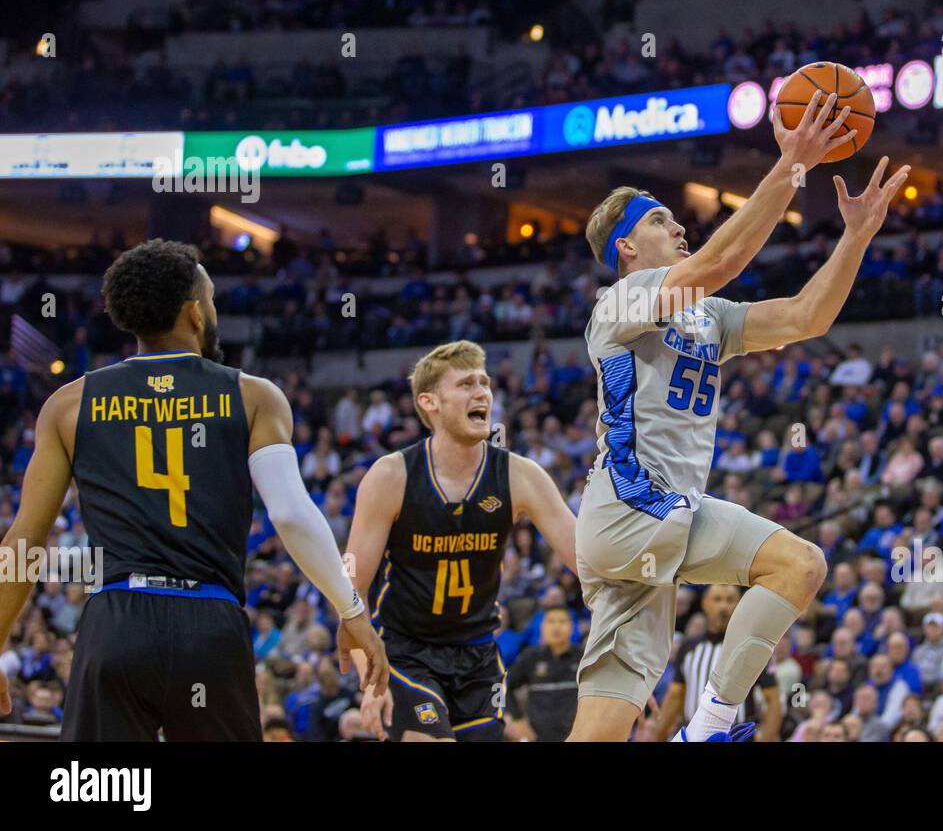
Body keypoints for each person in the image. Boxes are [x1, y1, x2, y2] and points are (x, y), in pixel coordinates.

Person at [568, 90, 911, 742]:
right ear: (627, 248)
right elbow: (719, 264)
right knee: (799, 564)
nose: (679, 228)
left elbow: (806, 316)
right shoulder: (623, 299)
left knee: (599, 733)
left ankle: (705, 727)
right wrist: (792, 166)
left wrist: (857, 236)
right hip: (635, 507)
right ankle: (709, 728)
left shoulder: (704, 316)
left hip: (637, 534)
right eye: (661, 221)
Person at [0, 240, 387, 739]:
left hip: (116, 624)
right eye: (212, 300)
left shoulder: (69, 404)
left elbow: (25, 541)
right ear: (195, 313)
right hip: (209, 624)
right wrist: (350, 608)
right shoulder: (253, 395)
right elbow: (290, 515)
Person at [345, 341, 576, 741]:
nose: (482, 392)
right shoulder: (390, 477)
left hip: (479, 657)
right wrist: (370, 678)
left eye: (485, 383)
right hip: (405, 651)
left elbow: (587, 561)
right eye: (466, 384)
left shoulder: (520, 476)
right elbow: (349, 591)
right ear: (429, 402)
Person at [651, 585, 783, 742]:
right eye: (717, 599)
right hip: (693, 734)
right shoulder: (688, 648)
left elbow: (773, 700)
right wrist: (657, 737)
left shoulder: (752, 647)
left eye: (730, 600)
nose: (724, 606)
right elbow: (675, 697)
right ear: (705, 603)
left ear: (739, 604)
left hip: (737, 735)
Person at [506, 606, 582, 742]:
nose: (556, 627)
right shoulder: (530, 656)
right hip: (538, 737)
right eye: (551, 621)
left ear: (571, 627)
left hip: (577, 736)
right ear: (542, 627)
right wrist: (518, 719)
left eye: (562, 622)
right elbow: (504, 685)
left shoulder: (583, 657)